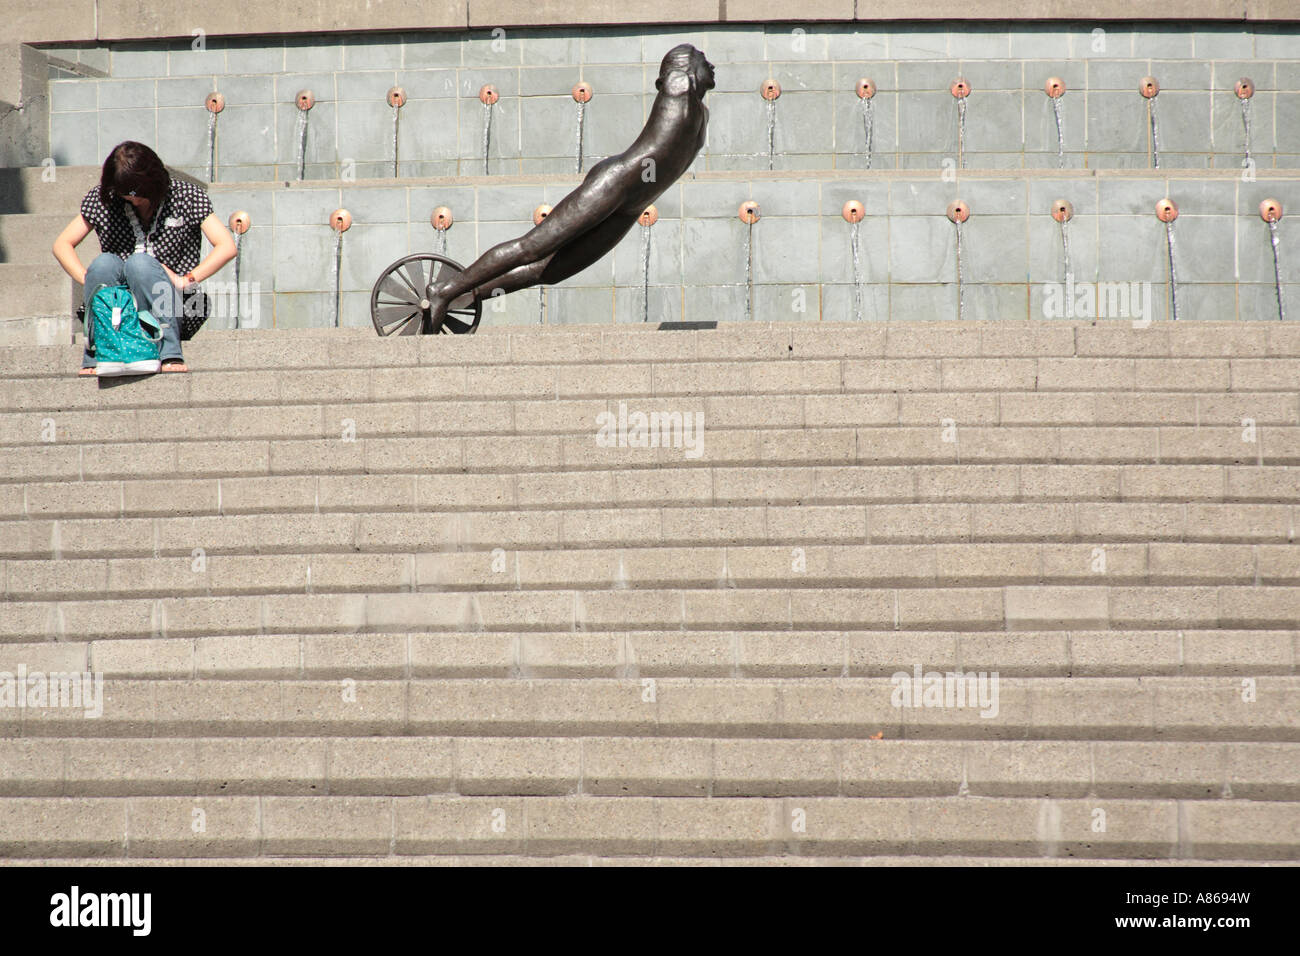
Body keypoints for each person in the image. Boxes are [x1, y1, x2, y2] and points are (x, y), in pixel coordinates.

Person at [424, 43, 715, 330]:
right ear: (685, 69)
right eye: (704, 60)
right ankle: (445, 289)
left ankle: (465, 296)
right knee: (532, 247)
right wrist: (685, 66)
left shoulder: (701, 112)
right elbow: (676, 73)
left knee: (551, 271)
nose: (712, 65)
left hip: (633, 205)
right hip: (617, 182)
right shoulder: (680, 90)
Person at [51, 141, 237, 375]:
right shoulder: (104, 200)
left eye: (137, 193)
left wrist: (185, 279)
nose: (132, 199)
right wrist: (88, 278)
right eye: (125, 194)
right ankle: (95, 354)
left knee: (141, 264)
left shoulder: (186, 196)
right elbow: (62, 244)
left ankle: (170, 352)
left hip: (172, 306)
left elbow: (226, 246)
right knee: (104, 264)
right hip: (120, 309)